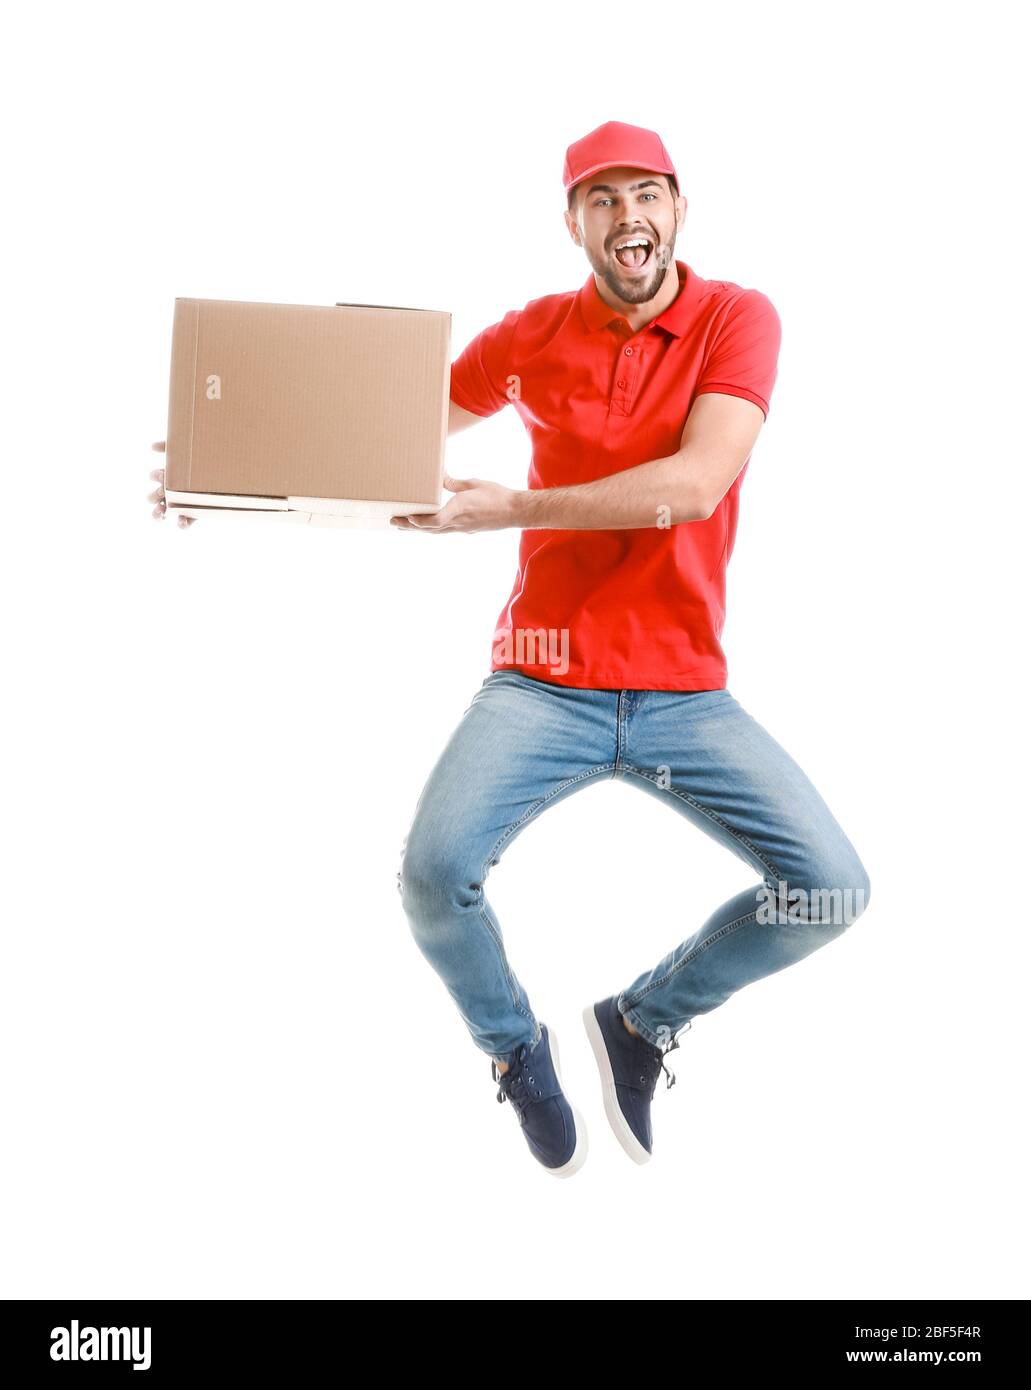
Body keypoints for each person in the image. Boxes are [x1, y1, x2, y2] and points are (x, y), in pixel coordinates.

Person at [391, 121, 870, 1176]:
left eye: (644, 194)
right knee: (433, 873)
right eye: (600, 200)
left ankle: (639, 1022)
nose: (626, 217)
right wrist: (239, 475)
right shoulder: (529, 338)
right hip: (544, 673)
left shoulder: (734, 317)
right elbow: (385, 427)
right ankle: (517, 1050)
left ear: (677, 209)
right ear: (572, 223)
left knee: (828, 888)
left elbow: (693, 485)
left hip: (681, 694)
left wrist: (513, 506)